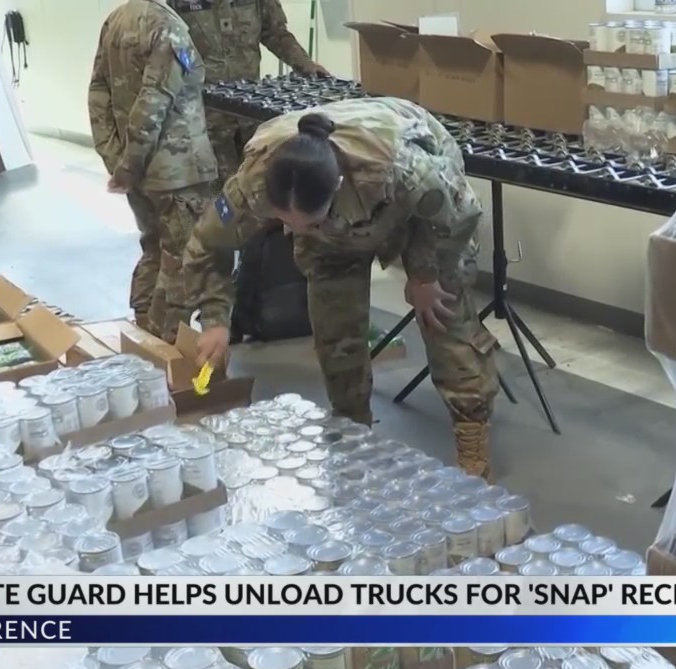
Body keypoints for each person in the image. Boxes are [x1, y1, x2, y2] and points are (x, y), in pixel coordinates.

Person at [182, 97, 500, 478]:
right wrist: (215, 320)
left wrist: (423, 276)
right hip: (333, 236)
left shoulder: (405, 170)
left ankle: (471, 434)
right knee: (335, 331)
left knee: (443, 313)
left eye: (307, 223)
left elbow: (459, 214)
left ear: (336, 187)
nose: (295, 231)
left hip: (425, 218)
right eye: (287, 223)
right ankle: (352, 431)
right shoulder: (253, 185)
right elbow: (207, 244)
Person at [89, 0, 218, 343]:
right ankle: (163, 346)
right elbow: (153, 103)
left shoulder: (116, 20)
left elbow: (98, 93)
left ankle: (142, 331)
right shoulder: (168, 28)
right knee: (184, 259)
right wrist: (129, 164)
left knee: (155, 248)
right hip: (176, 171)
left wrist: (117, 159)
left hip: (140, 171)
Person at [169, 0, 328, 180]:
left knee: (256, 181)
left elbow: (275, 32)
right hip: (204, 118)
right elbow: (167, 46)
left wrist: (305, 64)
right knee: (214, 187)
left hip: (250, 112)